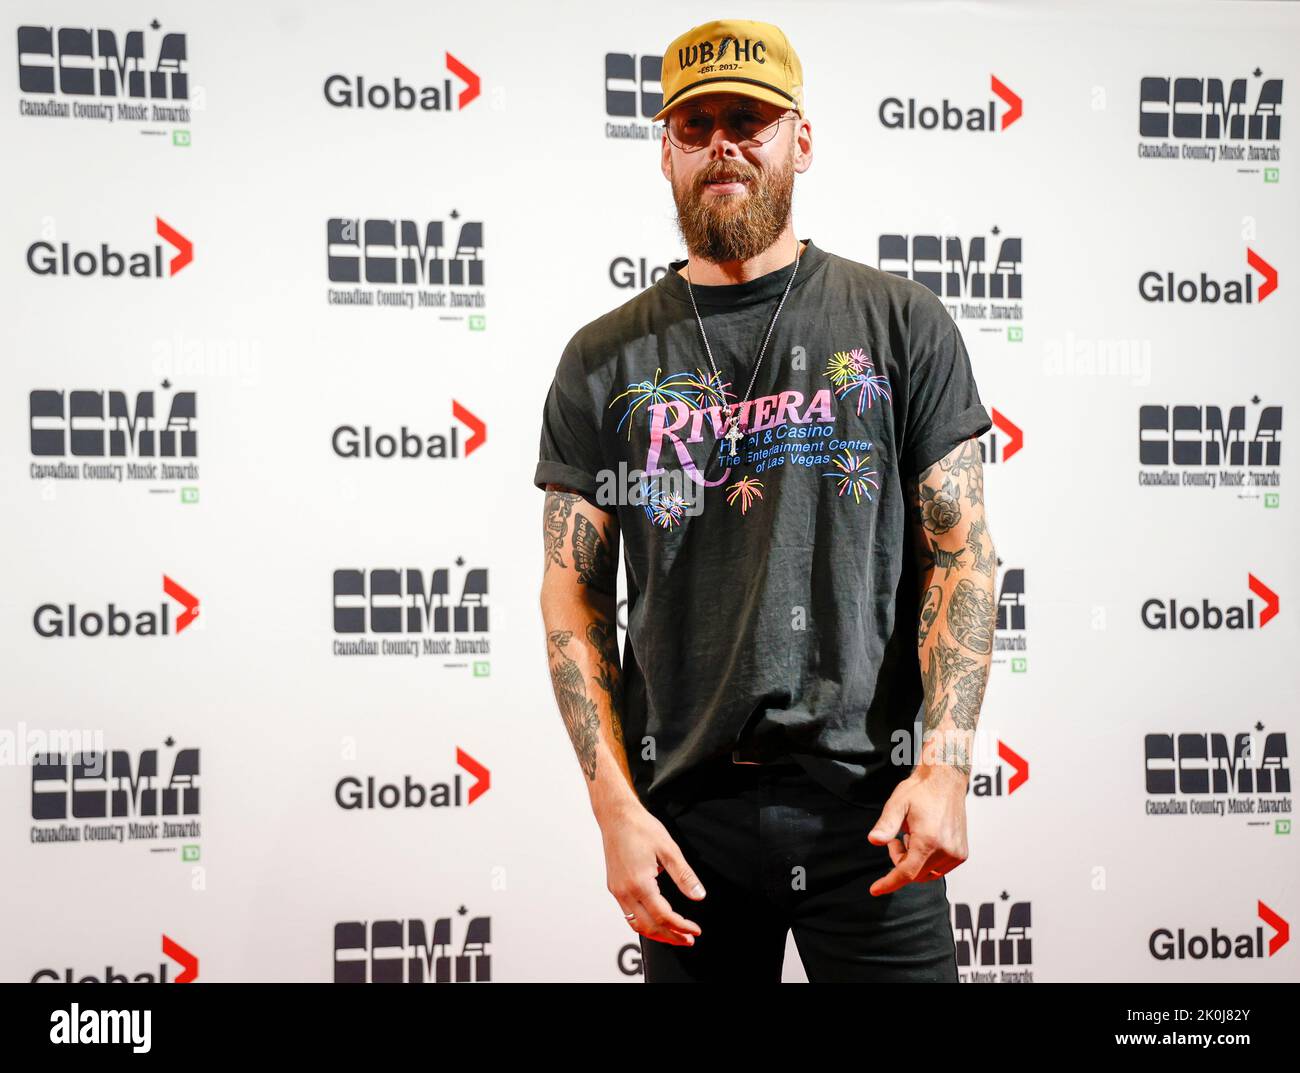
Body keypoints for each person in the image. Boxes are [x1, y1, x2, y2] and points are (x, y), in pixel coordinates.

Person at [534, 18, 997, 982]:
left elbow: (960, 557)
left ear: (802, 139)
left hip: (873, 812)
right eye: (696, 125)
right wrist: (614, 808)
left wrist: (946, 766)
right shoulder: (602, 358)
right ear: (665, 149)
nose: (723, 146)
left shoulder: (900, 321)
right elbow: (572, 601)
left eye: (750, 120)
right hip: (686, 823)